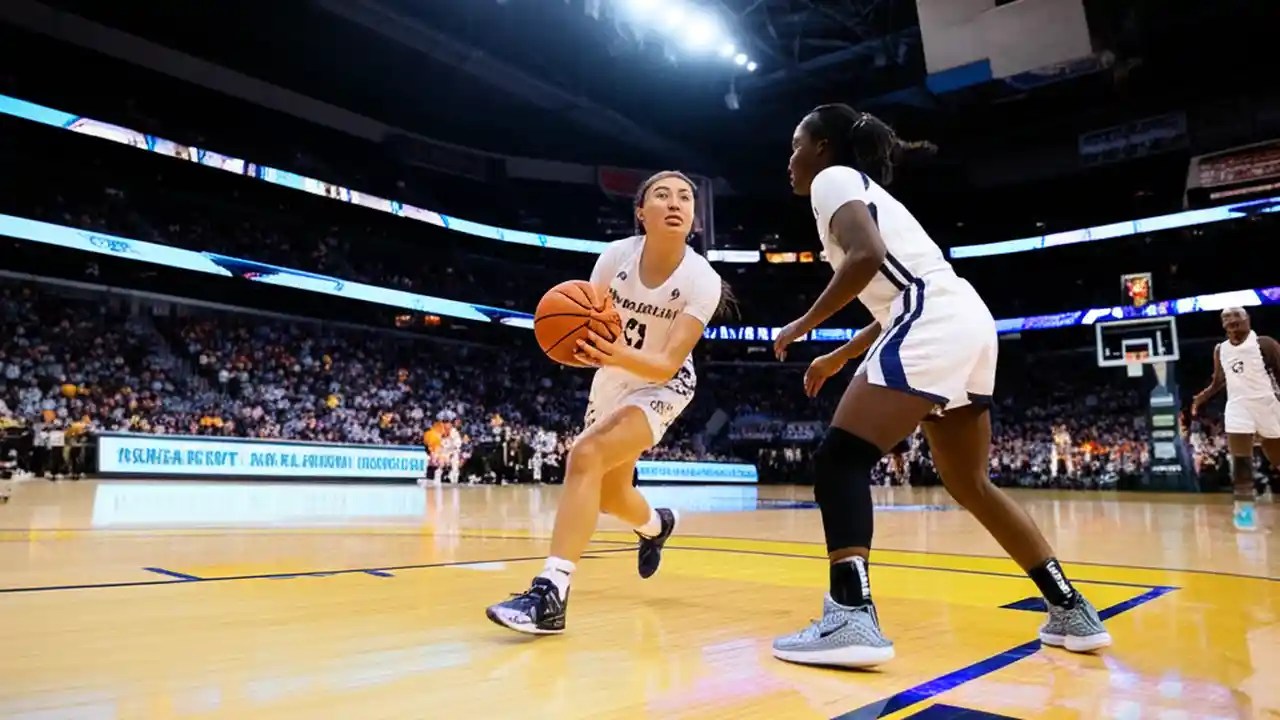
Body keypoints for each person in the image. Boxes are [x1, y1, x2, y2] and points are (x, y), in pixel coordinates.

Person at [771, 104, 1110, 667]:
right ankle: (1072, 611)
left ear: (823, 147)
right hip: (966, 320)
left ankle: (851, 619)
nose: (790, 159)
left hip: (930, 317)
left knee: (840, 461)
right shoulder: (865, 192)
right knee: (971, 482)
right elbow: (889, 292)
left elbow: (868, 257)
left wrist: (804, 324)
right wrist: (837, 355)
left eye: (796, 144)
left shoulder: (831, 181)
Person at [486, 171, 730, 634]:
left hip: (664, 383)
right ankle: (656, 525)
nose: (675, 203)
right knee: (610, 494)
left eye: (685, 197)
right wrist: (576, 345)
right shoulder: (615, 258)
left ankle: (550, 592)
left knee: (585, 454)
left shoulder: (703, 280)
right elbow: (589, 326)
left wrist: (613, 353)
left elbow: (664, 362)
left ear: (693, 217)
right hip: (613, 379)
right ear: (641, 211)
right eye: (662, 195)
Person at [1190, 307, 1280, 531]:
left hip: (1268, 403)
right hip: (1238, 406)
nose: (1231, 320)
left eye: (1235, 316)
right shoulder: (1220, 349)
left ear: (1247, 319)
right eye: (1226, 318)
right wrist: (1201, 397)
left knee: (1276, 458)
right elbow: (1218, 381)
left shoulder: (1264, 343)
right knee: (1241, 461)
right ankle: (1245, 516)